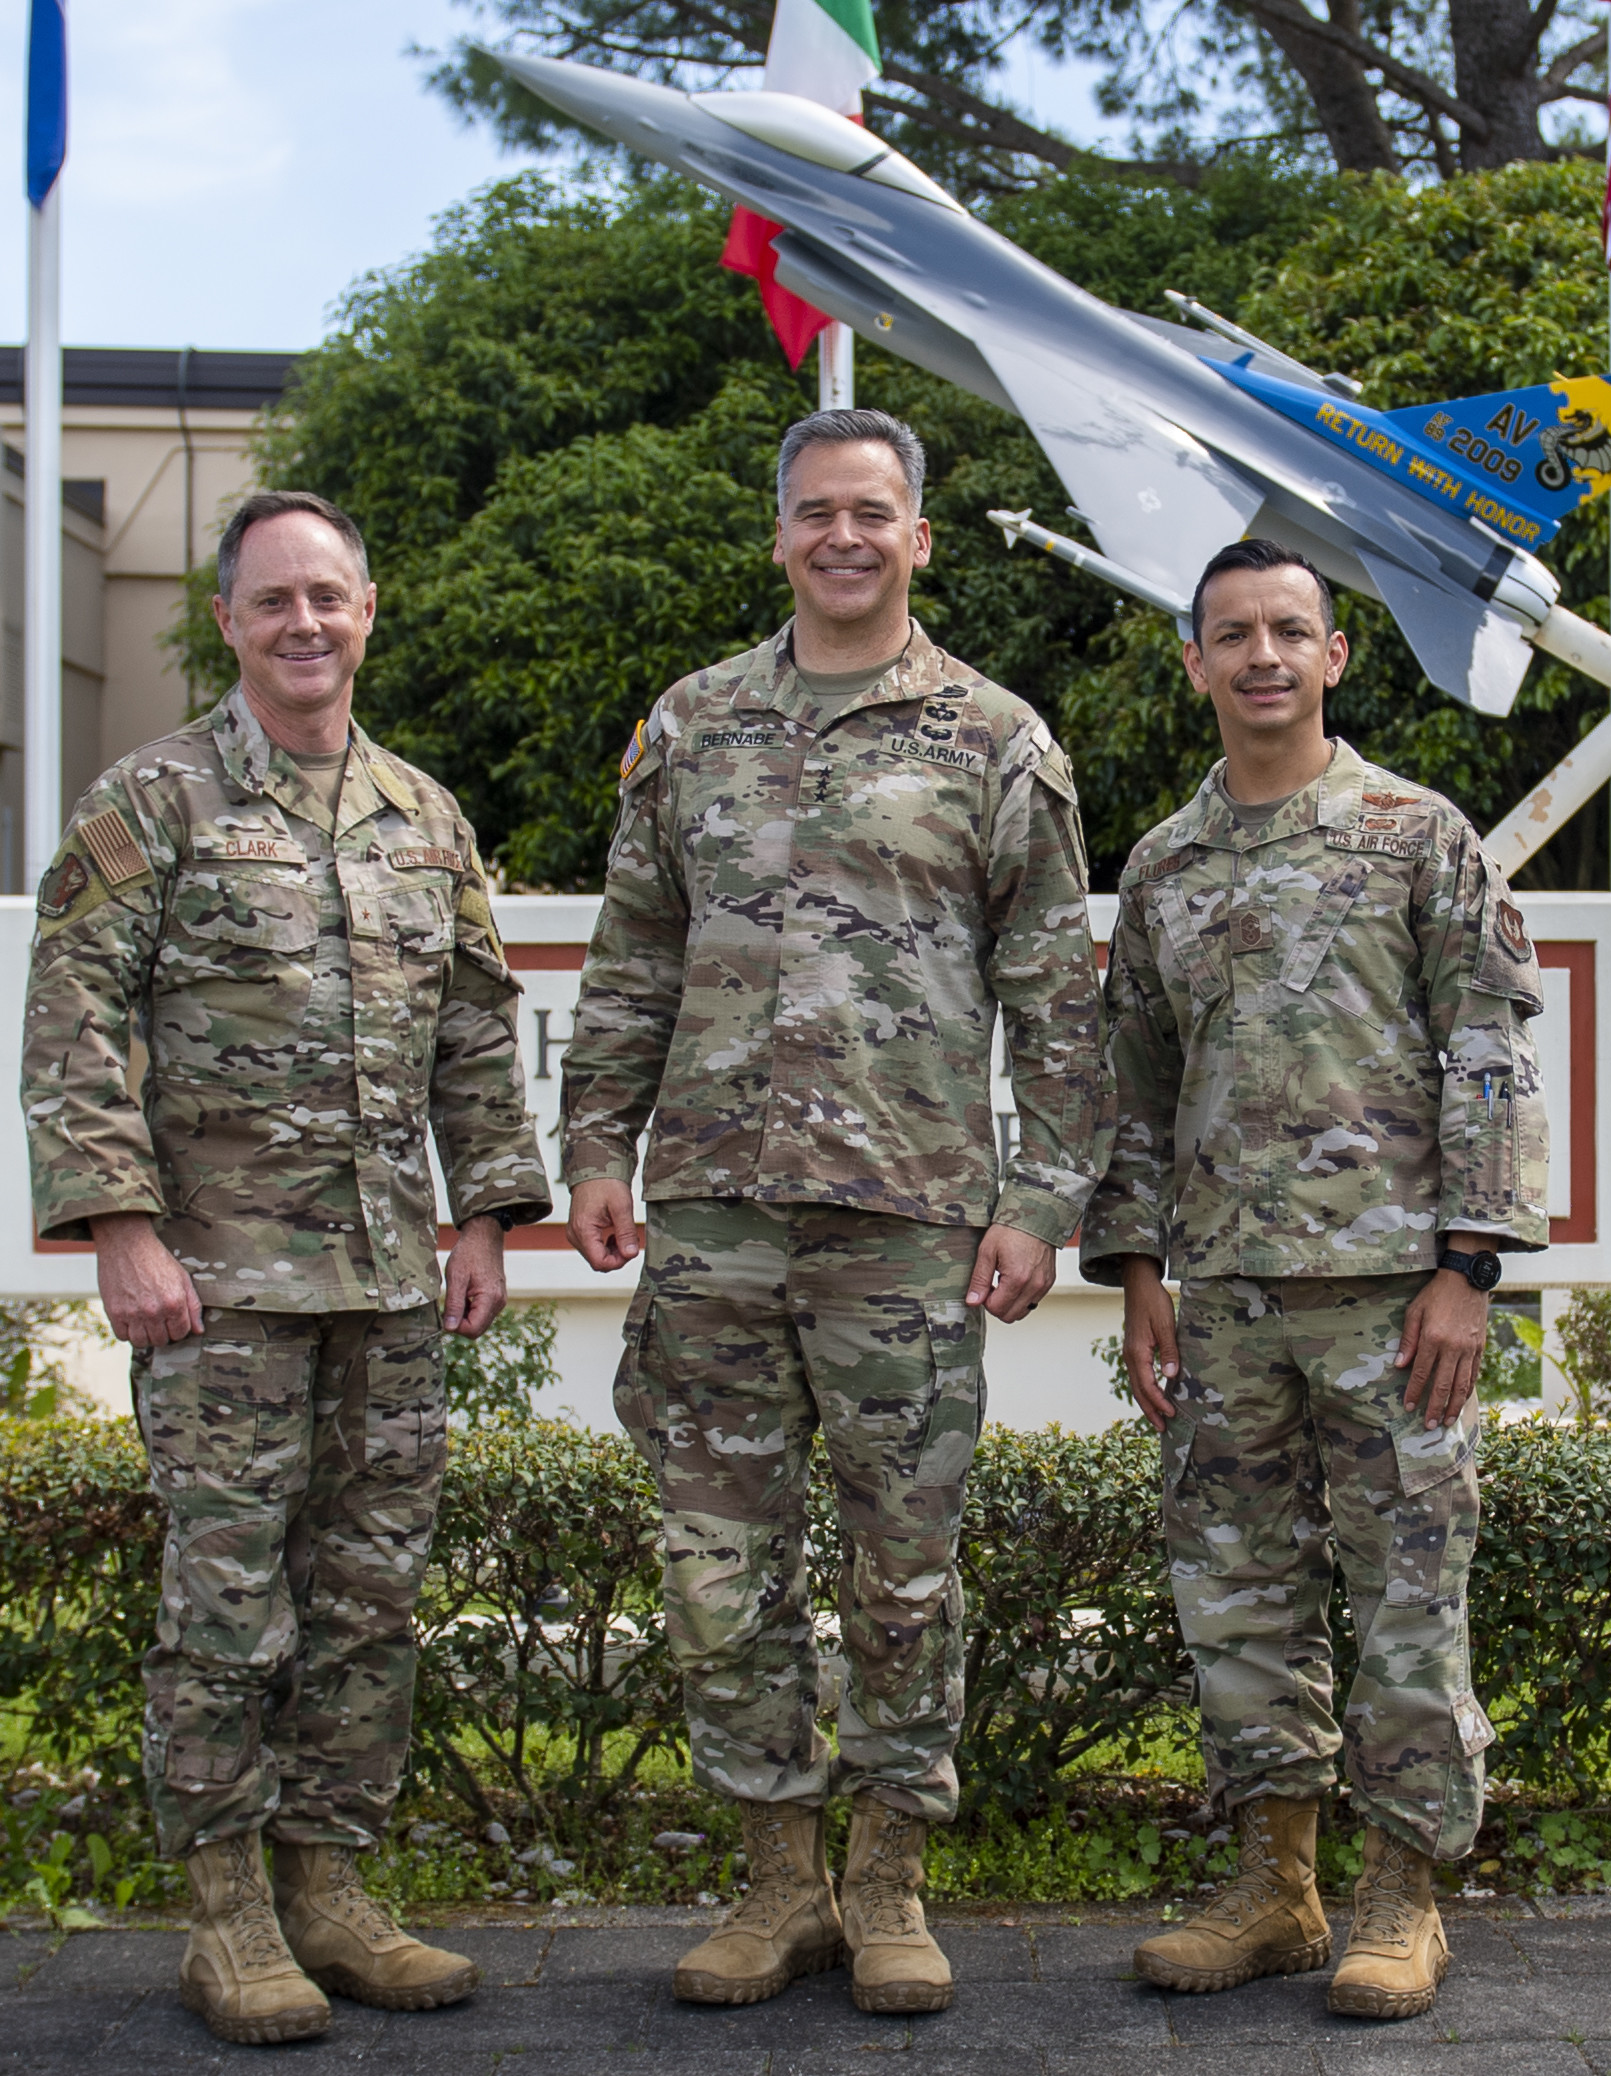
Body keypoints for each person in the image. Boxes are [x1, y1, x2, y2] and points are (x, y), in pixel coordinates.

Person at [558, 408, 1108, 2015]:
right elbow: (633, 953)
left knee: (903, 1571)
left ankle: (887, 1882)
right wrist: (595, 1146)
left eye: (873, 512)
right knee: (717, 1569)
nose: (844, 537)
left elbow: (1052, 996)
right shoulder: (692, 725)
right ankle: (776, 1882)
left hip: (904, 1218)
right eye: (817, 512)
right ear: (782, 534)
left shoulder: (996, 739)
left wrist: (1041, 1196)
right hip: (715, 1217)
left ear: (919, 537)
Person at [23, 490, 551, 2047]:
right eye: (273, 602)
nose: (304, 624)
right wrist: (118, 1227)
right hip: (222, 1286)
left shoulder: (422, 815)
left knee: (369, 1602)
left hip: (389, 1283)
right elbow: (73, 1021)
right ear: (228, 624)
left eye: (328, 596)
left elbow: (473, 1030)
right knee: (227, 1604)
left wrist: (483, 1217)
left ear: (367, 610)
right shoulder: (153, 803)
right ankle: (228, 1914)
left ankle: (330, 1888)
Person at [1082, 538, 1548, 2021]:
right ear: (1195, 664)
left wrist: (1469, 1269)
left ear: (1336, 656)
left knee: (1408, 1592)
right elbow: (1133, 1085)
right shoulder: (1163, 865)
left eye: (1291, 630)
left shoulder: (1417, 836)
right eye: (1233, 635)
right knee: (1236, 1594)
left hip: (1391, 1295)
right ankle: (1275, 1887)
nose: (1264, 656)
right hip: (1222, 1296)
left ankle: (1404, 1893)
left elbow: (1489, 1051)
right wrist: (1137, 1271)